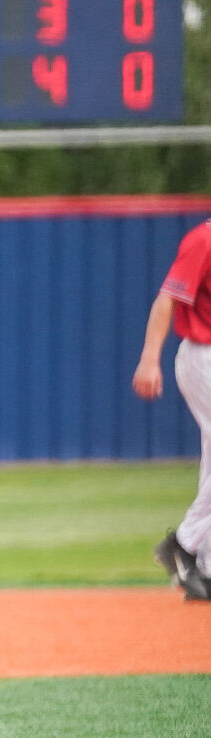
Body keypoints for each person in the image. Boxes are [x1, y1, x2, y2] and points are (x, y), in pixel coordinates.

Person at [133, 217, 211, 601]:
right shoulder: (204, 240)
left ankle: (203, 564)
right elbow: (167, 297)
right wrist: (150, 358)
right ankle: (183, 544)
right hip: (203, 356)